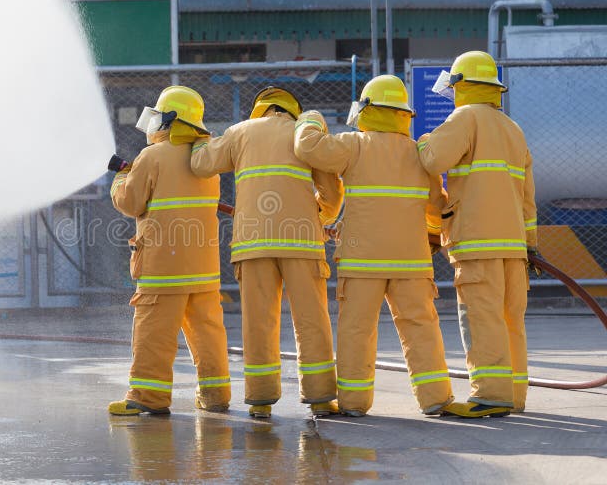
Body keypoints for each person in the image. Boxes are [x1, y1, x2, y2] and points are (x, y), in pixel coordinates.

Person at [294, 75, 454, 417]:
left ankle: (353, 402)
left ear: (367, 110)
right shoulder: (418, 154)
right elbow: (437, 206)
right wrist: (428, 237)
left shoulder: (353, 145)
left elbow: (307, 147)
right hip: (411, 262)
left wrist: (310, 118)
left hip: (362, 261)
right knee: (421, 328)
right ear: (403, 114)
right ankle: (435, 398)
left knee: (356, 330)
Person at [190, 86, 343, 418]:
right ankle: (319, 398)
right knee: (311, 320)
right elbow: (330, 192)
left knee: (259, 322)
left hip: (252, 244)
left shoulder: (239, 133)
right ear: (292, 111)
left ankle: (260, 400)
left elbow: (201, 164)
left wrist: (198, 137)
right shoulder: (304, 133)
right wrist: (320, 217)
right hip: (302, 244)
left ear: (259, 110)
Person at [417, 50, 538, 418]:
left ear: (463, 86)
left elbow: (434, 159)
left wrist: (422, 141)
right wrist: (531, 246)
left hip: (476, 242)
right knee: (509, 319)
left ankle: (490, 394)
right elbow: (528, 198)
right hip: (514, 247)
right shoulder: (512, 129)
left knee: (482, 319)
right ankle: (514, 393)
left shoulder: (465, 118)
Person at [108, 86, 231, 415]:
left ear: (169, 120)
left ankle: (148, 397)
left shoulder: (152, 157)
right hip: (203, 269)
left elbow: (131, 202)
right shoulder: (206, 159)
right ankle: (216, 396)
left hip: (163, 268)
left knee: (153, 334)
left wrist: (121, 178)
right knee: (208, 334)